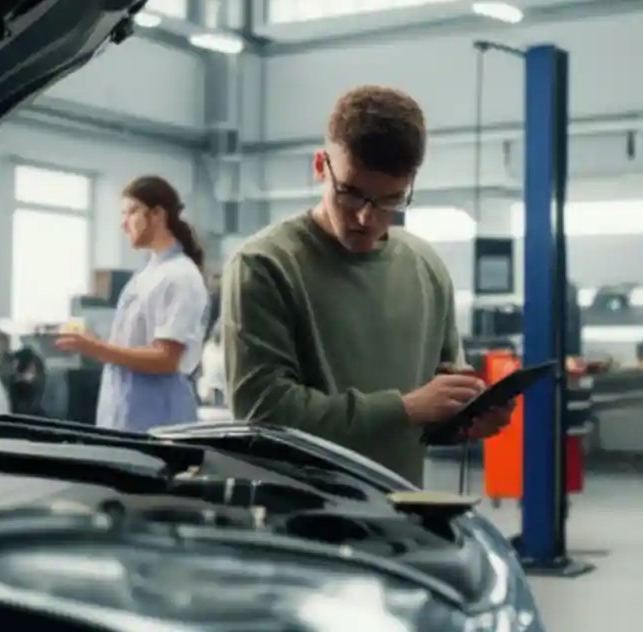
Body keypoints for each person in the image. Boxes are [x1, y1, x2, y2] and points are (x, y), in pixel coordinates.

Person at [221, 85, 512, 486]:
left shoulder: (426, 268)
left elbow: (431, 412)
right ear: (321, 166)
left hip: (398, 514)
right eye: (351, 194)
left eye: (390, 201)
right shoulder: (265, 266)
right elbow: (264, 412)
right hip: (296, 520)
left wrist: (466, 417)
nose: (365, 218)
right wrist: (404, 408)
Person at [56, 175, 210, 432]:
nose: (124, 224)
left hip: (157, 418)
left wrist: (98, 348)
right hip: (127, 413)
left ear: (157, 214)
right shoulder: (149, 273)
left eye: (131, 212)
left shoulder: (179, 276)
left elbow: (166, 358)